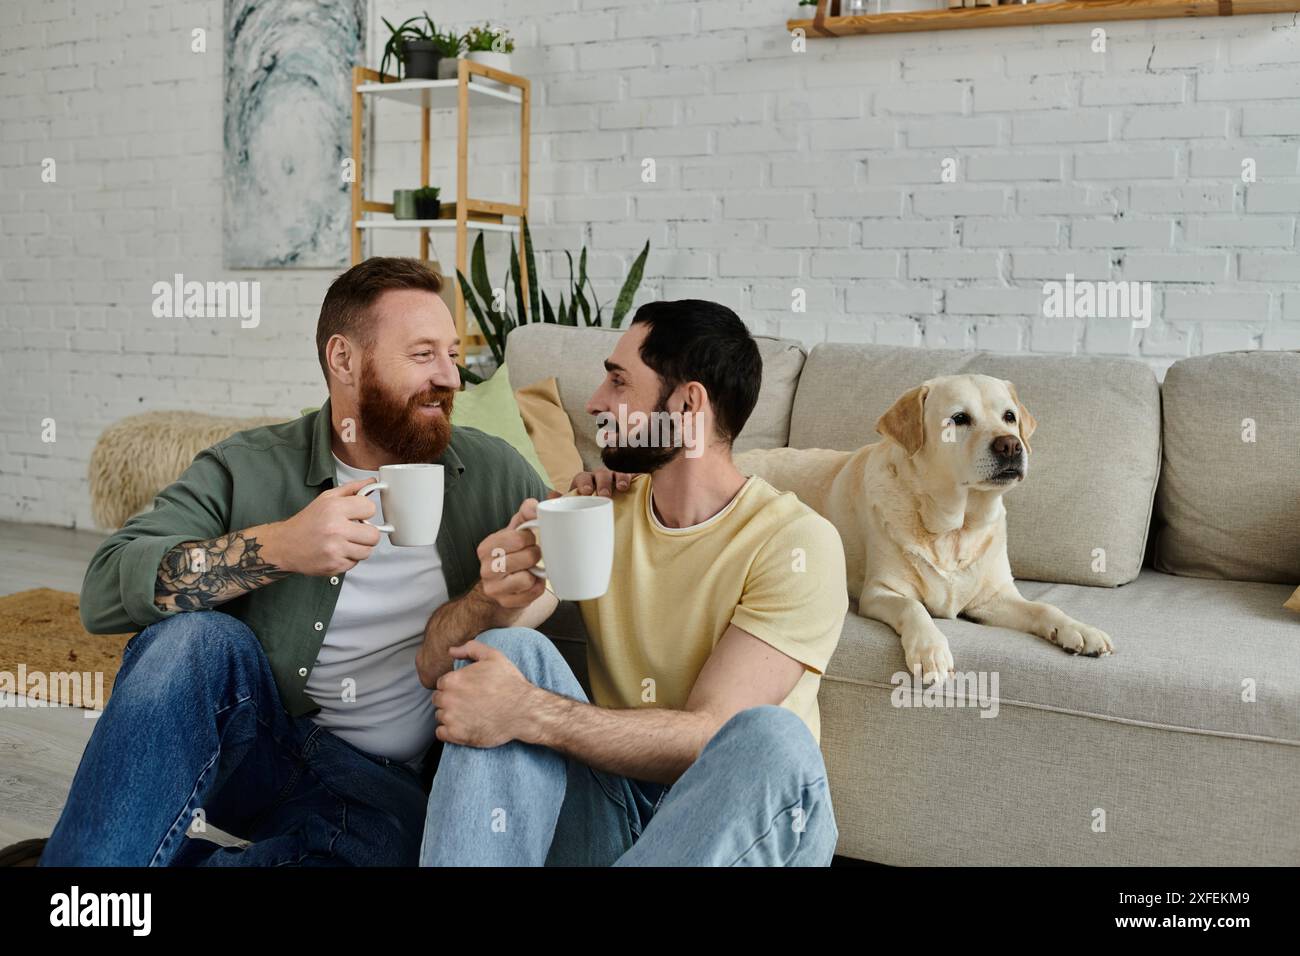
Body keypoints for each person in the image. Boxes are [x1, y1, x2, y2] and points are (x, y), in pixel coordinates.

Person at [39, 257, 551, 866]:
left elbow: (566, 573)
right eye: (422, 356)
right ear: (344, 361)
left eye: (452, 352)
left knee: (395, 846)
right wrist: (280, 547)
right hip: (257, 745)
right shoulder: (247, 465)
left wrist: (619, 499)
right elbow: (104, 589)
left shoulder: (493, 471)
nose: (452, 377)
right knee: (195, 641)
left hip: (379, 791)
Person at [417, 299, 849, 866]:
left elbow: (707, 737)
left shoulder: (796, 542)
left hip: (732, 826)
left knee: (771, 738)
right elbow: (436, 664)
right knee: (506, 651)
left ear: (688, 403)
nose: (595, 402)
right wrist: (491, 589)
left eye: (619, 382)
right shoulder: (598, 512)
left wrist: (531, 712)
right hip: (613, 812)